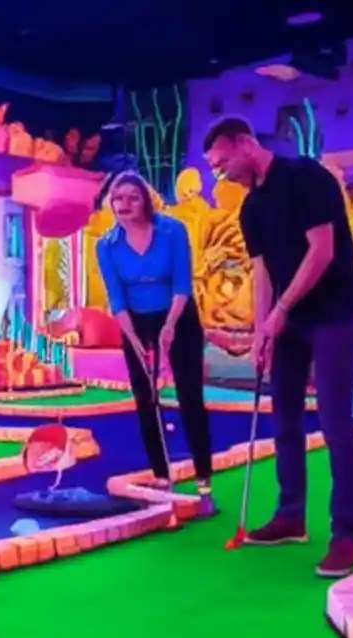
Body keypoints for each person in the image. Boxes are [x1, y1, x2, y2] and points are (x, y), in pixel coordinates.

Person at [202, 117, 353, 577]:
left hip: (334, 313)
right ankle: (291, 514)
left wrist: (283, 310)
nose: (221, 173)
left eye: (223, 162)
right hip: (289, 324)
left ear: (247, 144)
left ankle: (345, 535)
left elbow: (322, 251)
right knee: (285, 419)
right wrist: (261, 333)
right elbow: (261, 273)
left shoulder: (307, 178)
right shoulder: (250, 208)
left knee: (334, 424)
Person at [94, 171, 216, 516]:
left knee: (190, 398)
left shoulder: (172, 231)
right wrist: (134, 339)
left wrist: (170, 326)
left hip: (179, 315)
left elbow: (182, 284)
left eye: (132, 197)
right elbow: (116, 298)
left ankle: (204, 481)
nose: (124, 205)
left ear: (145, 199)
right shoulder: (106, 245)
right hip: (135, 320)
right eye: (118, 199)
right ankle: (163, 478)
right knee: (146, 397)